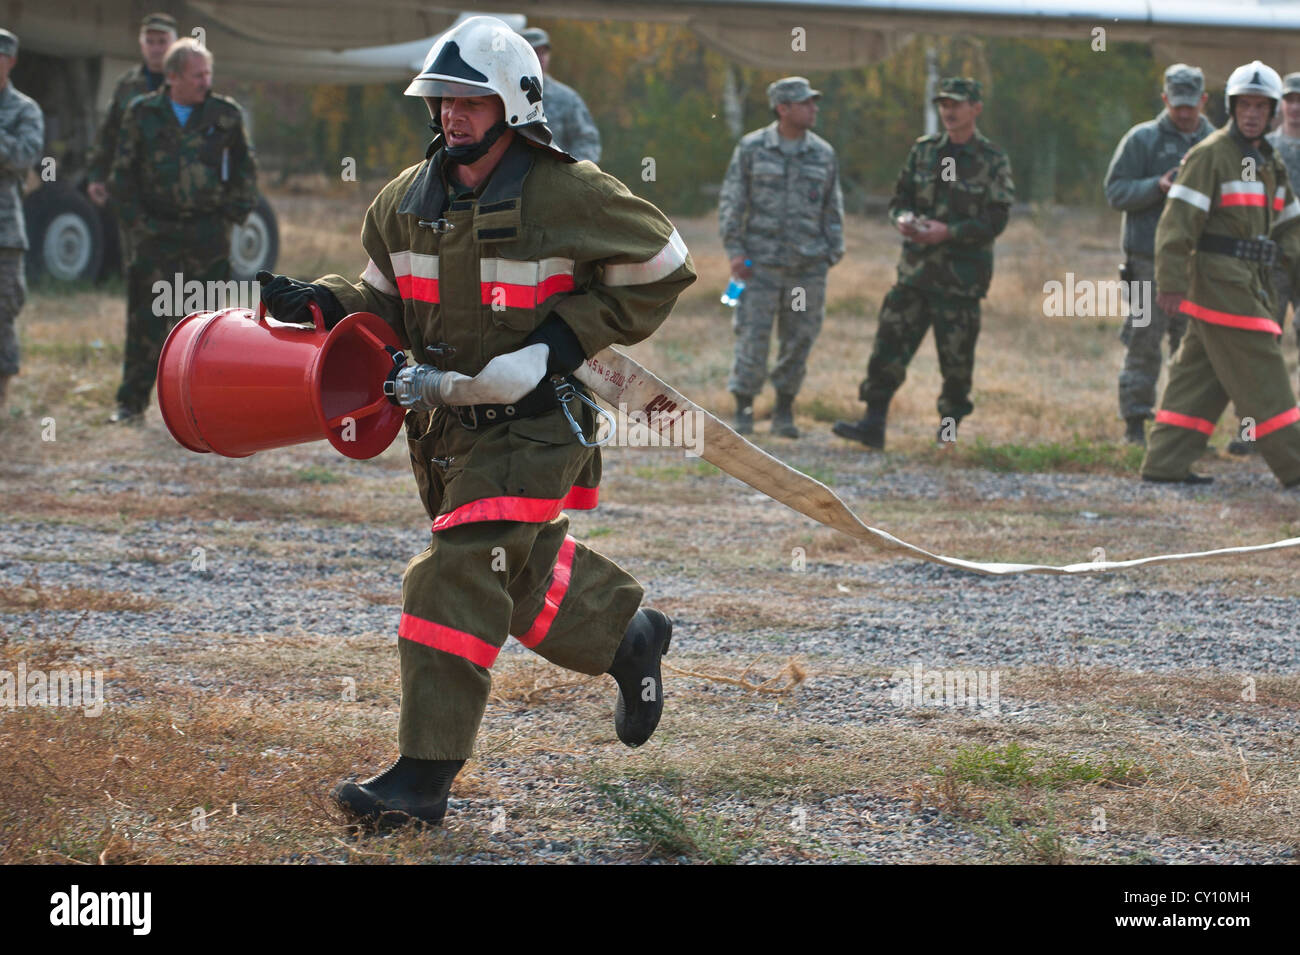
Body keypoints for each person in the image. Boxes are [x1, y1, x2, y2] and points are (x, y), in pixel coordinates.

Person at [257, 16, 695, 830]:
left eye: (470, 99)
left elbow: (666, 265)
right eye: (442, 99)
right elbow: (380, 304)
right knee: (515, 576)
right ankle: (630, 635)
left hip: (537, 427)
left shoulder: (568, 191)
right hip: (447, 435)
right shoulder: (401, 205)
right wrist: (321, 302)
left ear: (514, 104)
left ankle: (421, 781)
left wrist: (560, 342)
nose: (452, 115)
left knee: (452, 573)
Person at [1141, 60, 1300, 488]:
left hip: (1253, 282)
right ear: (1232, 108)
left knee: (1200, 375)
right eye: (1244, 105)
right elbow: (1176, 224)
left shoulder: (1270, 162)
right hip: (1219, 284)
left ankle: (1165, 463)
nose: (1251, 114)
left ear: (1270, 114)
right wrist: (1171, 284)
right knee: (1264, 373)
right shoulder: (1210, 155)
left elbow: (1290, 231)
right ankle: (1296, 465)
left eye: (1259, 107)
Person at [834, 77, 1013, 449]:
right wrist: (902, 219)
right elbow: (900, 198)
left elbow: (996, 220)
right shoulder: (924, 151)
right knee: (888, 348)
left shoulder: (992, 159)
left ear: (975, 109)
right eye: (944, 104)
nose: (948, 111)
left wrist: (950, 231)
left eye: (957, 104)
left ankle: (947, 436)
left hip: (961, 281)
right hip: (915, 274)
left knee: (956, 364)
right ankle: (873, 424)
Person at [107, 37, 256, 423]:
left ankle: (203, 411)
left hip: (207, 236)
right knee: (146, 320)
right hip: (155, 234)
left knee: (205, 327)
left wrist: (232, 215)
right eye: (196, 75)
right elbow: (122, 173)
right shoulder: (143, 113)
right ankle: (131, 405)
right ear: (172, 77)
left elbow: (244, 168)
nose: (205, 81)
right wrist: (137, 225)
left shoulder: (225, 115)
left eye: (208, 73)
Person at [719, 76, 844, 437]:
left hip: (807, 269)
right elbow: (732, 202)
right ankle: (744, 407)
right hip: (758, 267)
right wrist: (736, 252)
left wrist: (831, 253)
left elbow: (831, 208)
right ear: (783, 108)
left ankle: (784, 411)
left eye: (813, 102)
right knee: (752, 337)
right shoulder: (752, 148)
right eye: (805, 103)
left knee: (800, 338)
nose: (813, 108)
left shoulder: (823, 153)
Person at [1104, 64, 1213, 447]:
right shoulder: (1142, 140)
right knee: (1143, 342)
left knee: (1194, 349)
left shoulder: (1215, 143)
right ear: (1165, 100)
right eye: (1177, 105)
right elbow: (1115, 191)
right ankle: (1135, 422)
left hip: (1197, 263)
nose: (1184, 113)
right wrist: (1157, 186)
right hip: (1147, 261)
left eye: (1191, 106)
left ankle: (1185, 427)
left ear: (1203, 101)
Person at [86, 12, 178, 210]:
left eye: (162, 41)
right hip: (134, 191)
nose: (156, 48)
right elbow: (109, 133)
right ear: (142, 44)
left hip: (177, 190)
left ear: (174, 44)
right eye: (150, 41)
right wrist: (97, 176)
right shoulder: (127, 85)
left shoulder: (187, 83)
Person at [0, 28, 44, 408]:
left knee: (3, 312)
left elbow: (24, 157)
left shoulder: (24, 109)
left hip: (4, 233)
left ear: (11, 60)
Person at [519, 26, 600, 163]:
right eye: (534, 52)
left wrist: (572, 172)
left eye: (543, 52)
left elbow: (587, 141)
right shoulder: (504, 97)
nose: (541, 58)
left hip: (554, 180)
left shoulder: (566, 98)